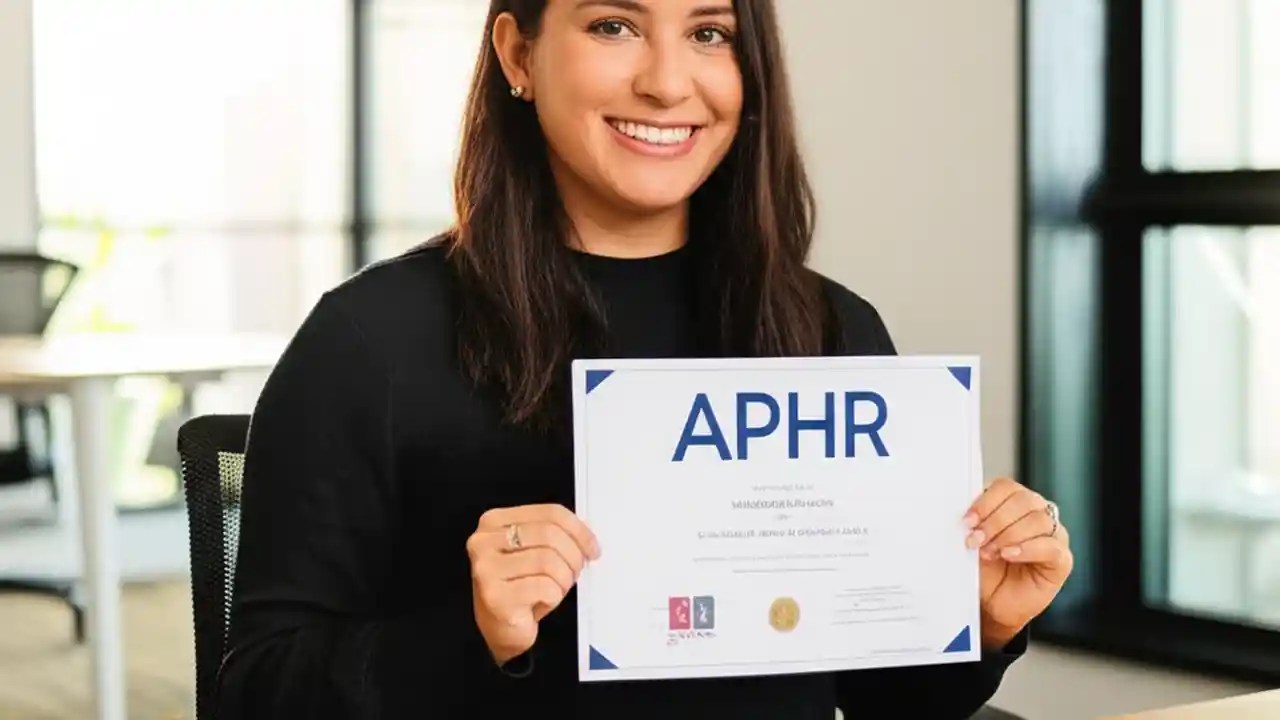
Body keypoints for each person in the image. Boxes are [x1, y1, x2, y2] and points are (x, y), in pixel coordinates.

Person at [216, 0, 1074, 717]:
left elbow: (886, 700)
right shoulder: (372, 339)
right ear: (518, 52)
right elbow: (253, 694)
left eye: (709, 34)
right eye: (614, 25)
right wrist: (474, 635)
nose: (667, 83)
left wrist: (982, 622)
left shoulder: (829, 328)